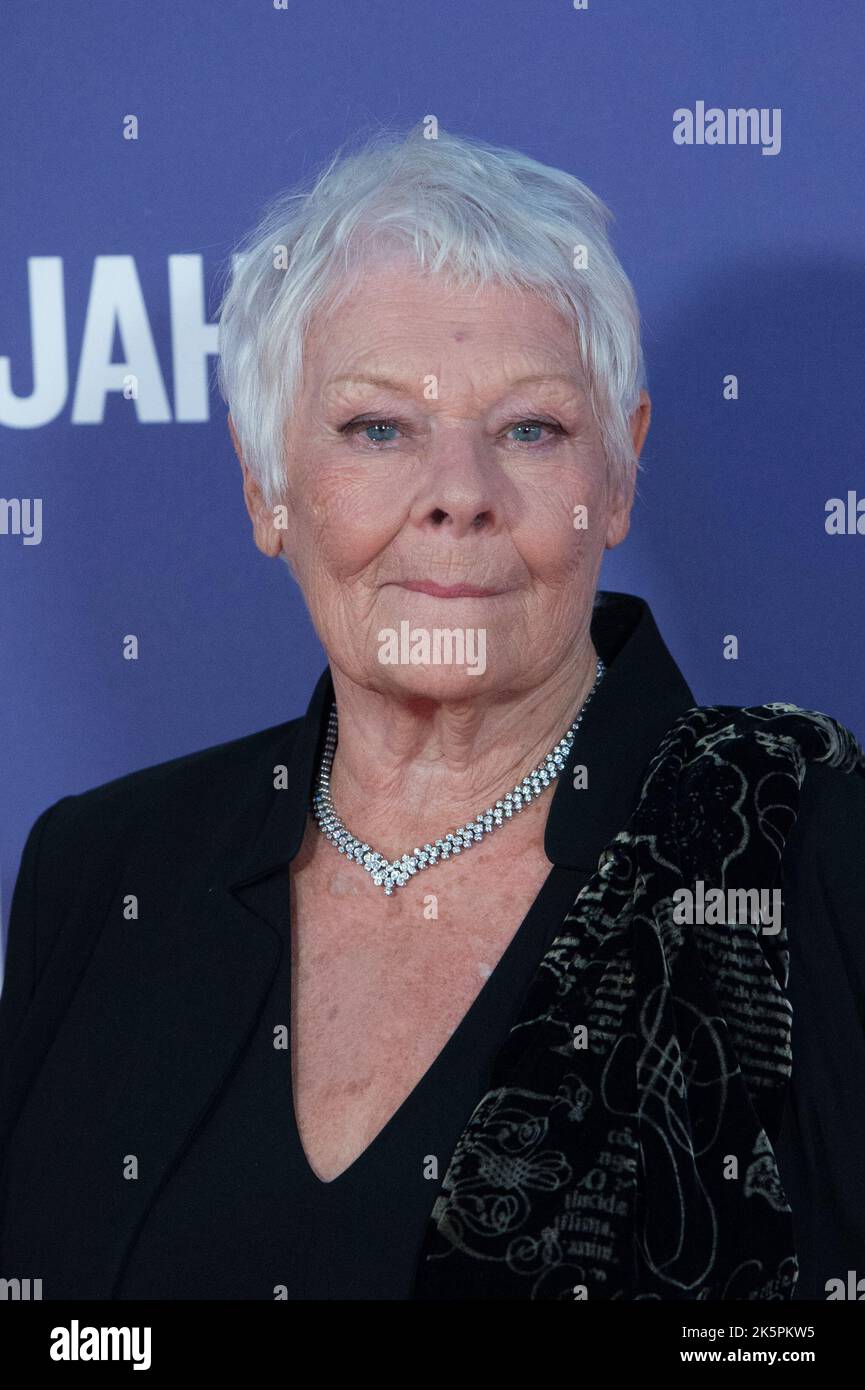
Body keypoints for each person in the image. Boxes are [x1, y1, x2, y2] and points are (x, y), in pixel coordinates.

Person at [1, 126, 863, 1301]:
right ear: (266, 486)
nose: (458, 493)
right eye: (377, 428)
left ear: (615, 474)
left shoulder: (806, 845)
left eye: (529, 429)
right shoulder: (100, 871)